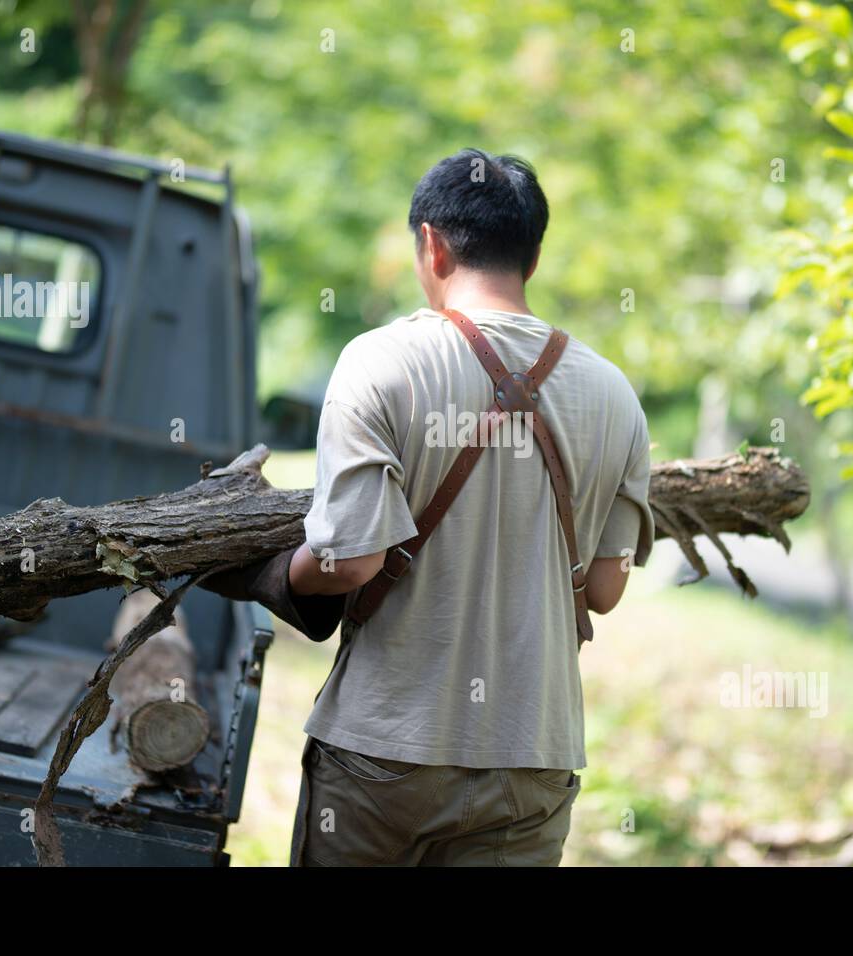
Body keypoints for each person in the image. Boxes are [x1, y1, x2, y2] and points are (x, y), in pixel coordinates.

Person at [205, 148, 653, 866]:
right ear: (532, 259)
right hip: (531, 758)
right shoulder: (615, 396)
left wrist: (269, 574)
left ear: (431, 244)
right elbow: (604, 588)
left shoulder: (379, 363)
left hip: (386, 751)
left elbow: (351, 561)